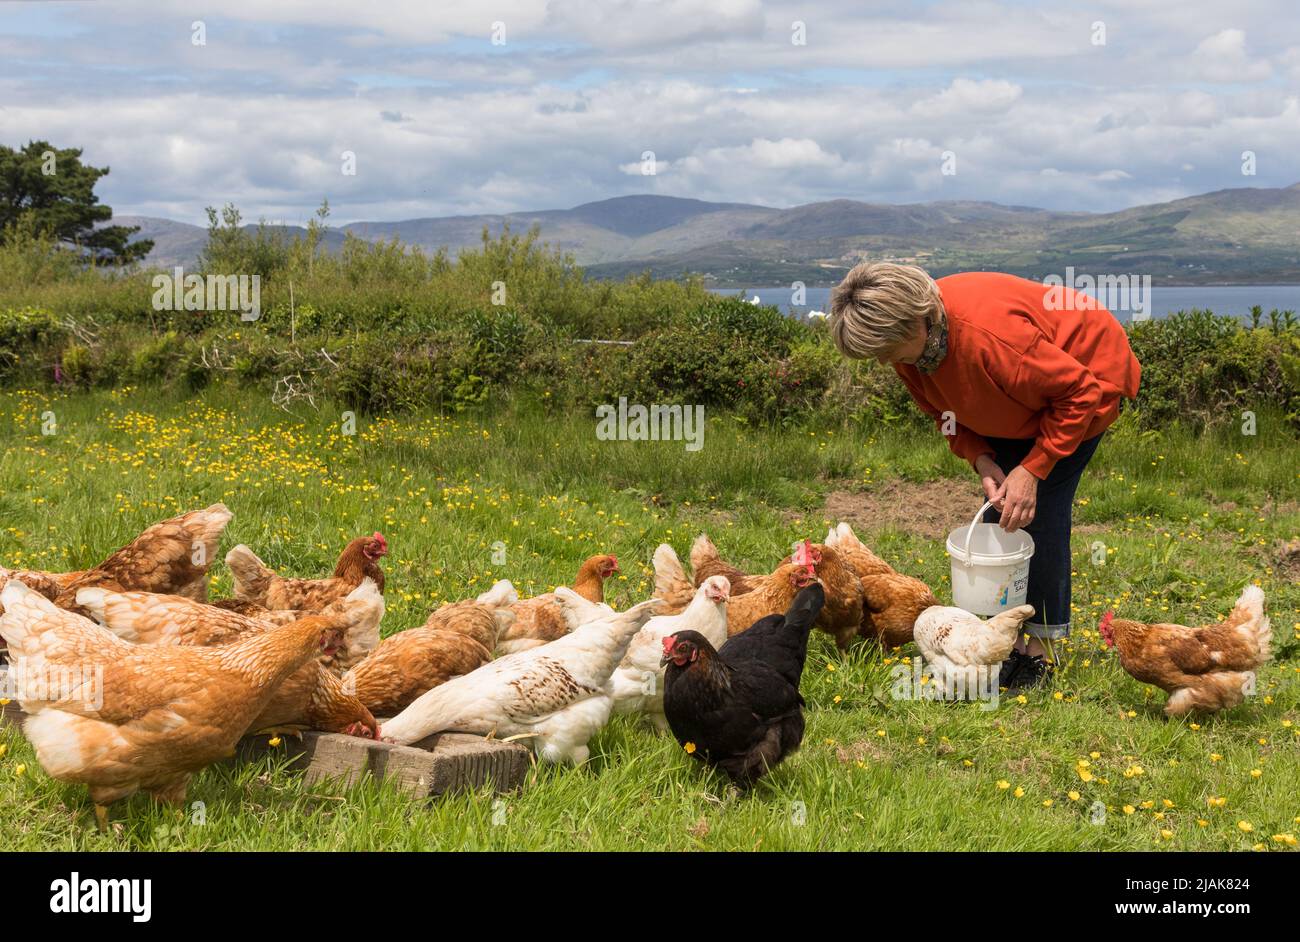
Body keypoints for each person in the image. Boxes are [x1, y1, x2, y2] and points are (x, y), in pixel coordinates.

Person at [829, 264, 1140, 689]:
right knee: (1002, 514)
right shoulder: (910, 349)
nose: (884, 361)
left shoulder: (992, 338)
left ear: (916, 320)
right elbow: (944, 413)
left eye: (887, 349)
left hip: (1084, 385)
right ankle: (1007, 637)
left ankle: (1041, 652)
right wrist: (981, 458)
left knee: (1036, 515)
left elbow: (1078, 393)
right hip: (1019, 401)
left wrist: (1032, 468)